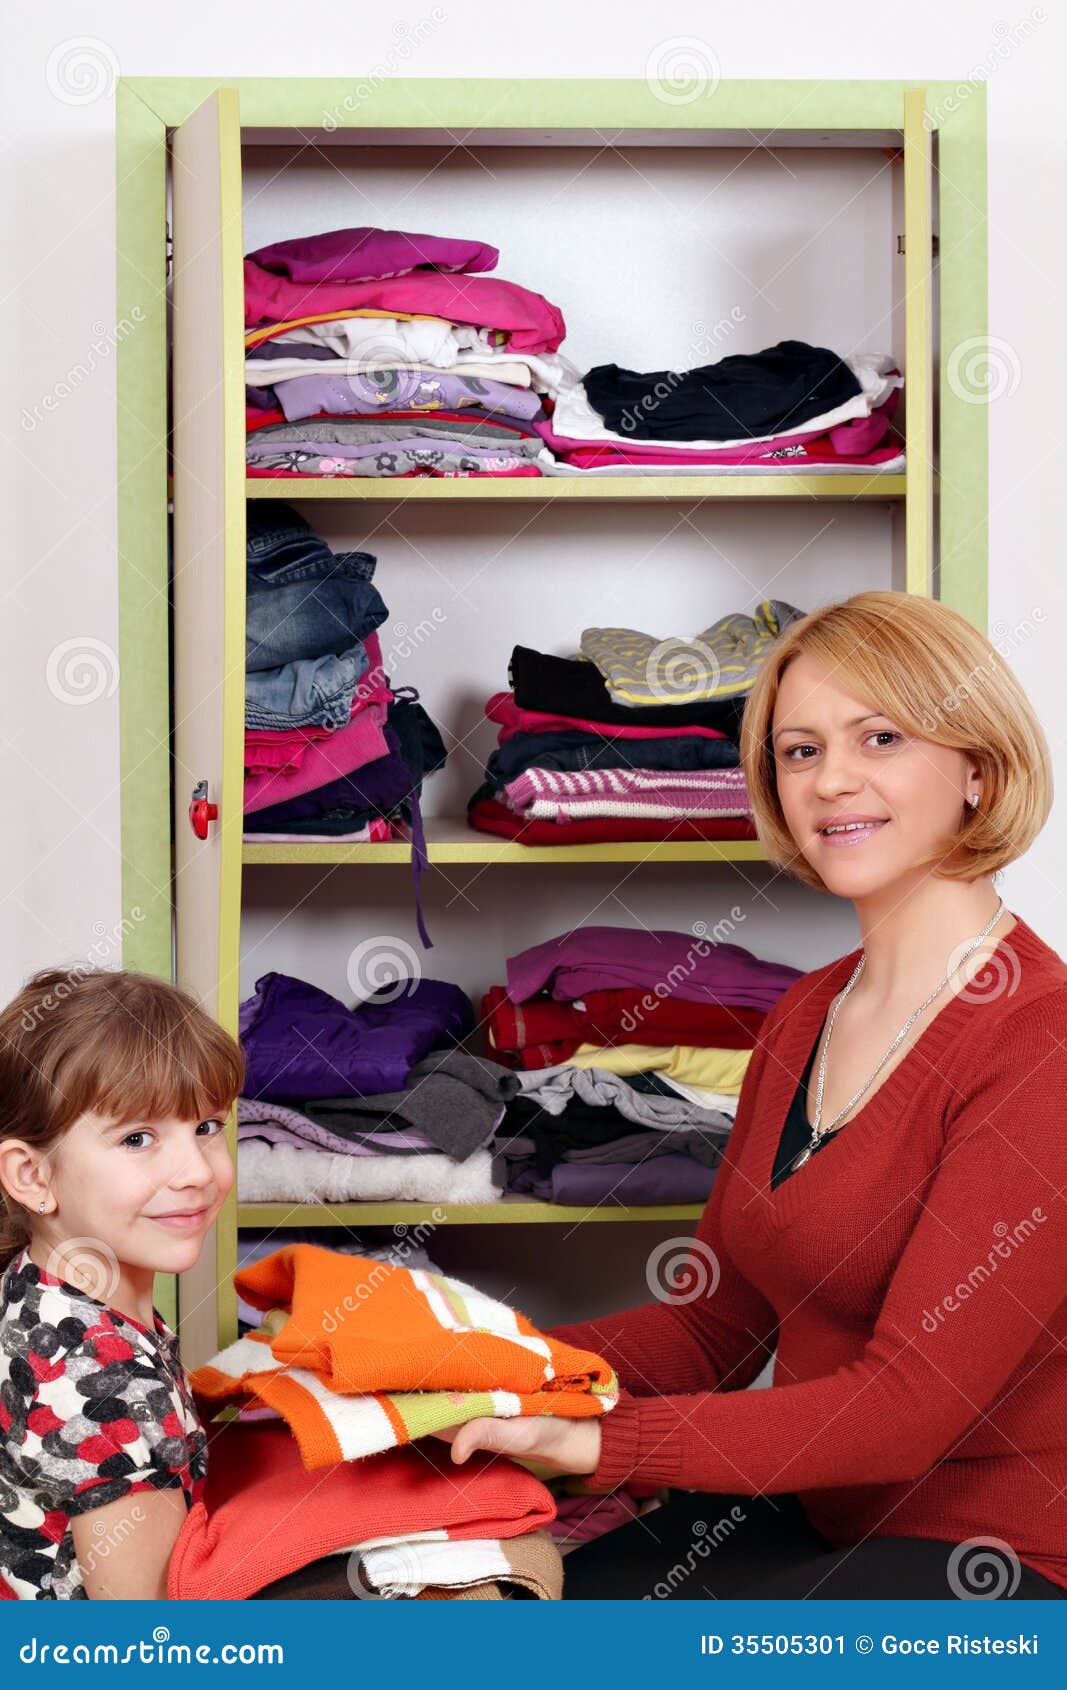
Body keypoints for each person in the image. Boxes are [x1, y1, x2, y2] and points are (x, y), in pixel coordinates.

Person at [433, 590, 1067, 1600]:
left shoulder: (1039, 1040)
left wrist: (597, 1442)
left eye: (879, 736)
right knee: (477, 1610)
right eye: (798, 750)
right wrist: (476, 1359)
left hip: (992, 1565)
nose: (831, 780)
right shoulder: (805, 1012)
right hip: (826, 1520)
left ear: (977, 772)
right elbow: (714, 1328)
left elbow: (905, 1408)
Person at [0, 968, 242, 1599]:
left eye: (208, 1127)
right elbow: (146, 1647)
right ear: (31, 1176)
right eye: (138, 1138)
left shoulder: (38, 1290)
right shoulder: (105, 1381)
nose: (195, 1170)